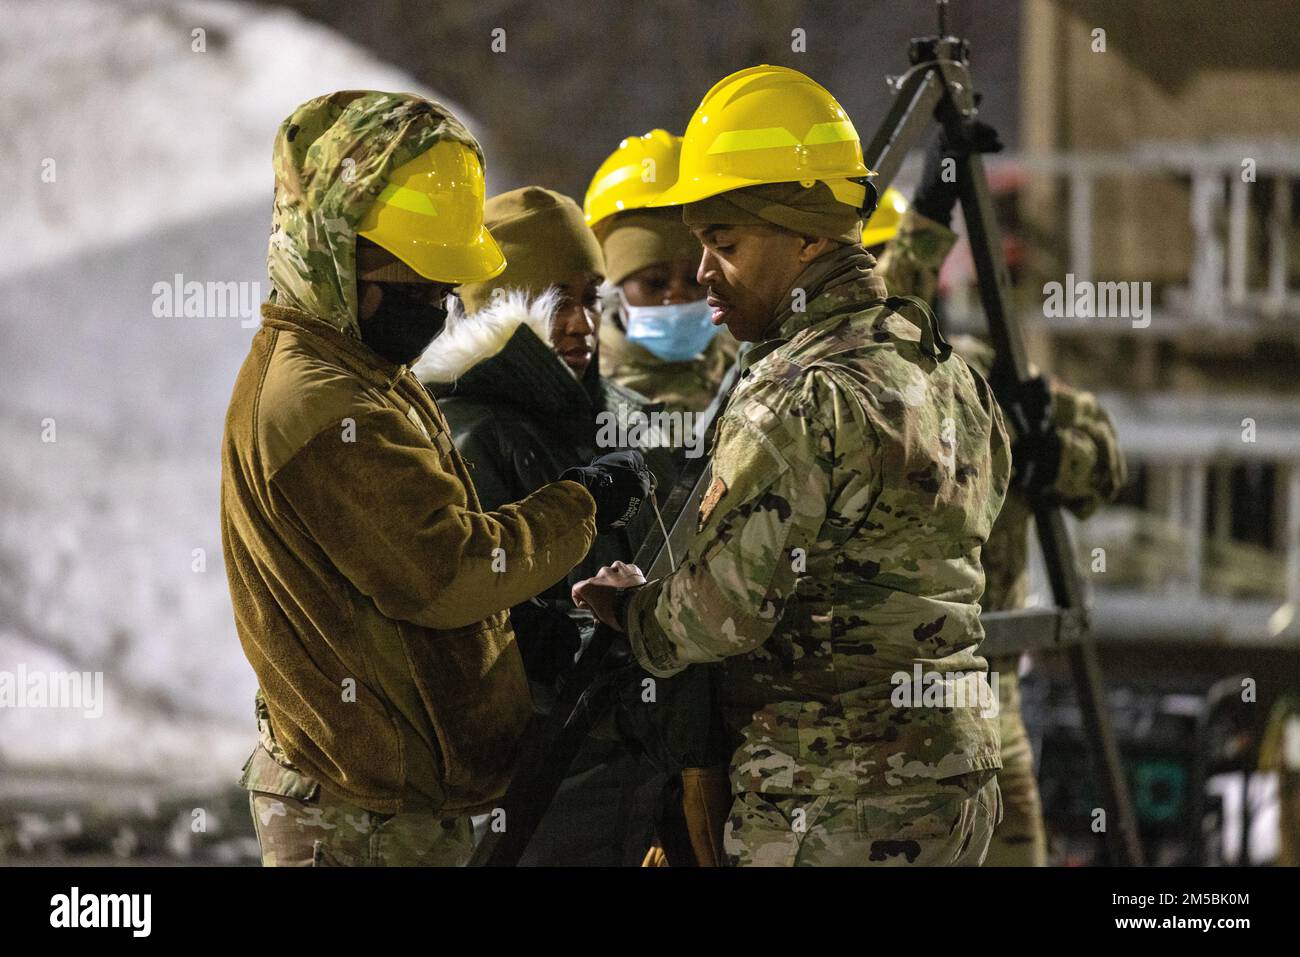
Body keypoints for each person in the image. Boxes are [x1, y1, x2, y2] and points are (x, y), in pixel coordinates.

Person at [574, 65, 1012, 866]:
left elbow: (722, 612)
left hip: (833, 795)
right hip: (955, 782)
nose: (704, 272)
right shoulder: (945, 368)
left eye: (724, 244)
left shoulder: (794, 395)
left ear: (807, 236)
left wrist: (634, 612)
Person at [221, 91, 644, 866]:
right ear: (337, 256)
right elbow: (448, 570)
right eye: (416, 283)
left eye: (446, 283)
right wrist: (580, 503)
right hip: (358, 823)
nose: (438, 303)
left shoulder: (361, 368)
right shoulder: (322, 403)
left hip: (391, 807)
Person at [873, 121, 1128, 865]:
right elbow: (887, 324)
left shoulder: (987, 373)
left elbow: (1103, 457)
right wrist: (931, 210)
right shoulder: (858, 379)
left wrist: (1049, 456)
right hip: (888, 706)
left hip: (993, 696)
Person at [413, 186, 666, 865]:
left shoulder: (617, 420)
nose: (583, 322)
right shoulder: (468, 439)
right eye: (557, 300)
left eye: (593, 295)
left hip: (629, 789)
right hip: (543, 799)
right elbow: (484, 636)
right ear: (502, 305)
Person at [586, 129, 740, 413]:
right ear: (616, 285)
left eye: (694, 278)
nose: (678, 296)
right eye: (655, 283)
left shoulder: (750, 367)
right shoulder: (584, 393)